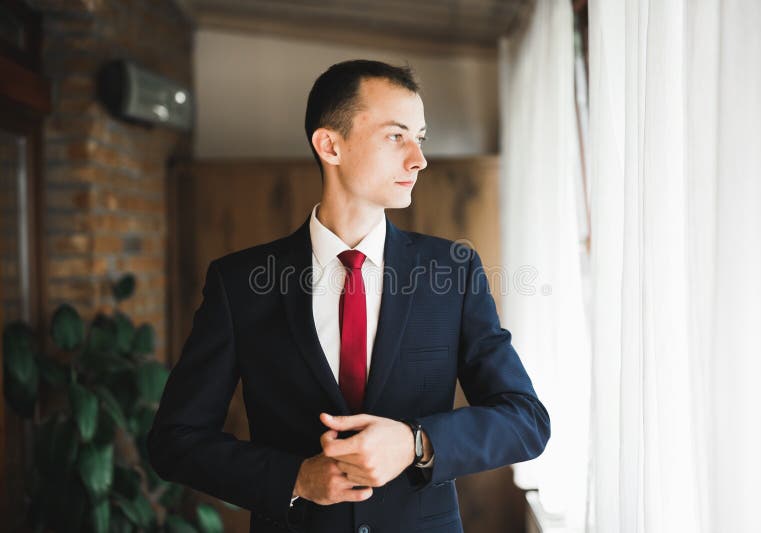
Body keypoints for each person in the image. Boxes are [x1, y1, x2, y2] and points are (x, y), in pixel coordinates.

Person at [147, 59, 550, 533]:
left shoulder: (453, 271)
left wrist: (415, 443)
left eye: (421, 137)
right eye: (396, 136)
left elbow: (525, 420)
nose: (418, 158)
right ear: (330, 145)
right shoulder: (239, 283)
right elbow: (175, 440)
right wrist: (294, 478)